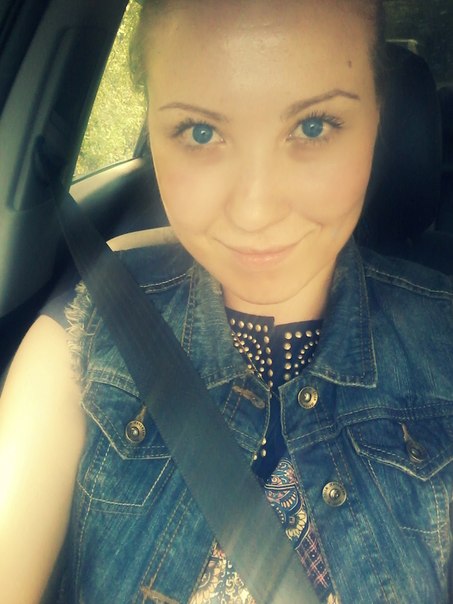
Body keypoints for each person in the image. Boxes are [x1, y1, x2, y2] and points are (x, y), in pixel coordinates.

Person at [1, 0, 452, 602]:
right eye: (201, 132)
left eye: (313, 126)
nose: (255, 211)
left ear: (378, 119)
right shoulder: (84, 337)